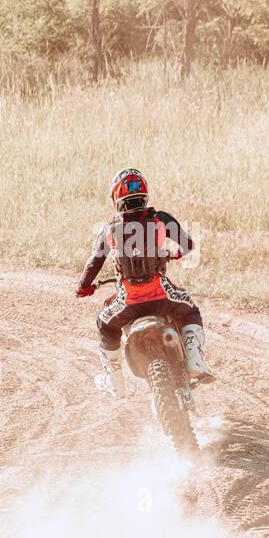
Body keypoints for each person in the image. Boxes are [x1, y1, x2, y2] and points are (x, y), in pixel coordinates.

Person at [75, 168, 215, 395]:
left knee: (104, 324)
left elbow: (94, 263)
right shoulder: (161, 219)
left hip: (128, 303)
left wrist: (83, 287)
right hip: (163, 297)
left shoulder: (109, 229)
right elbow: (188, 246)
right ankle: (194, 359)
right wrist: (172, 254)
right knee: (190, 310)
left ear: (116, 198)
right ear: (145, 193)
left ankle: (116, 384)